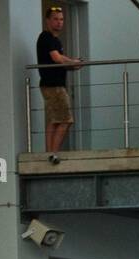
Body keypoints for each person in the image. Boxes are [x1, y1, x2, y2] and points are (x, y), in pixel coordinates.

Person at [36, 5, 83, 157]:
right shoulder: (47, 37)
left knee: (55, 120)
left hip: (51, 84)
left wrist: (72, 65)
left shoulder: (54, 40)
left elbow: (59, 62)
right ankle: (53, 153)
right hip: (53, 85)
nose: (59, 22)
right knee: (66, 119)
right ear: (48, 21)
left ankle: (50, 153)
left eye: (61, 19)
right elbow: (56, 58)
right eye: (55, 19)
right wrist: (72, 62)